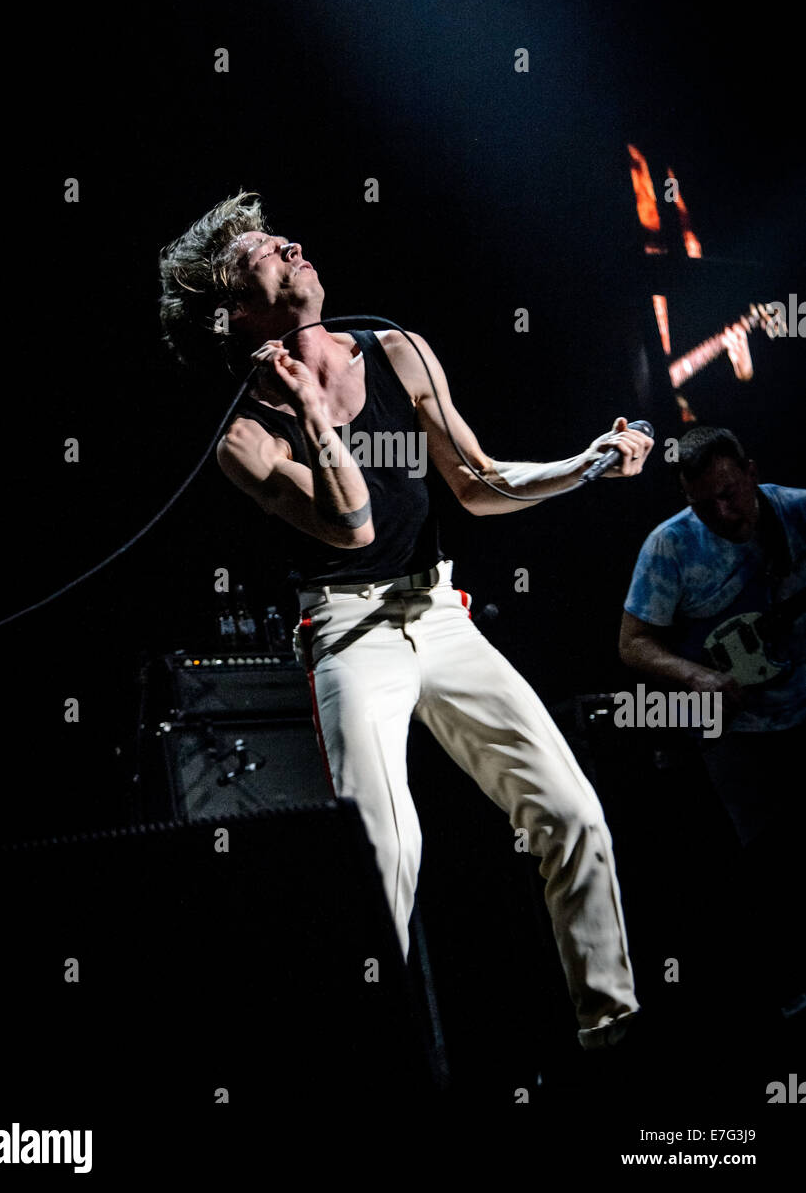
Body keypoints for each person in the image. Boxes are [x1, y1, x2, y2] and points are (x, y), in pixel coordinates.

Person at [158, 189, 654, 1051]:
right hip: (348, 635)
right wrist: (313, 415)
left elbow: (477, 482)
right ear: (237, 312)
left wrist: (586, 464)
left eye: (285, 236)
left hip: (439, 611)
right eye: (269, 254)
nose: (295, 247)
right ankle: (378, 1059)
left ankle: (612, 1032)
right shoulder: (245, 437)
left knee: (571, 812)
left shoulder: (396, 350)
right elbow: (351, 522)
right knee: (385, 853)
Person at [619, 425, 806, 1012]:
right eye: (705, 504)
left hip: (803, 705)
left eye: (731, 493)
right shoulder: (670, 546)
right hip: (736, 731)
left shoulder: (796, 511)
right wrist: (699, 678)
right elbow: (633, 643)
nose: (723, 512)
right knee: (768, 862)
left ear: (751, 471)